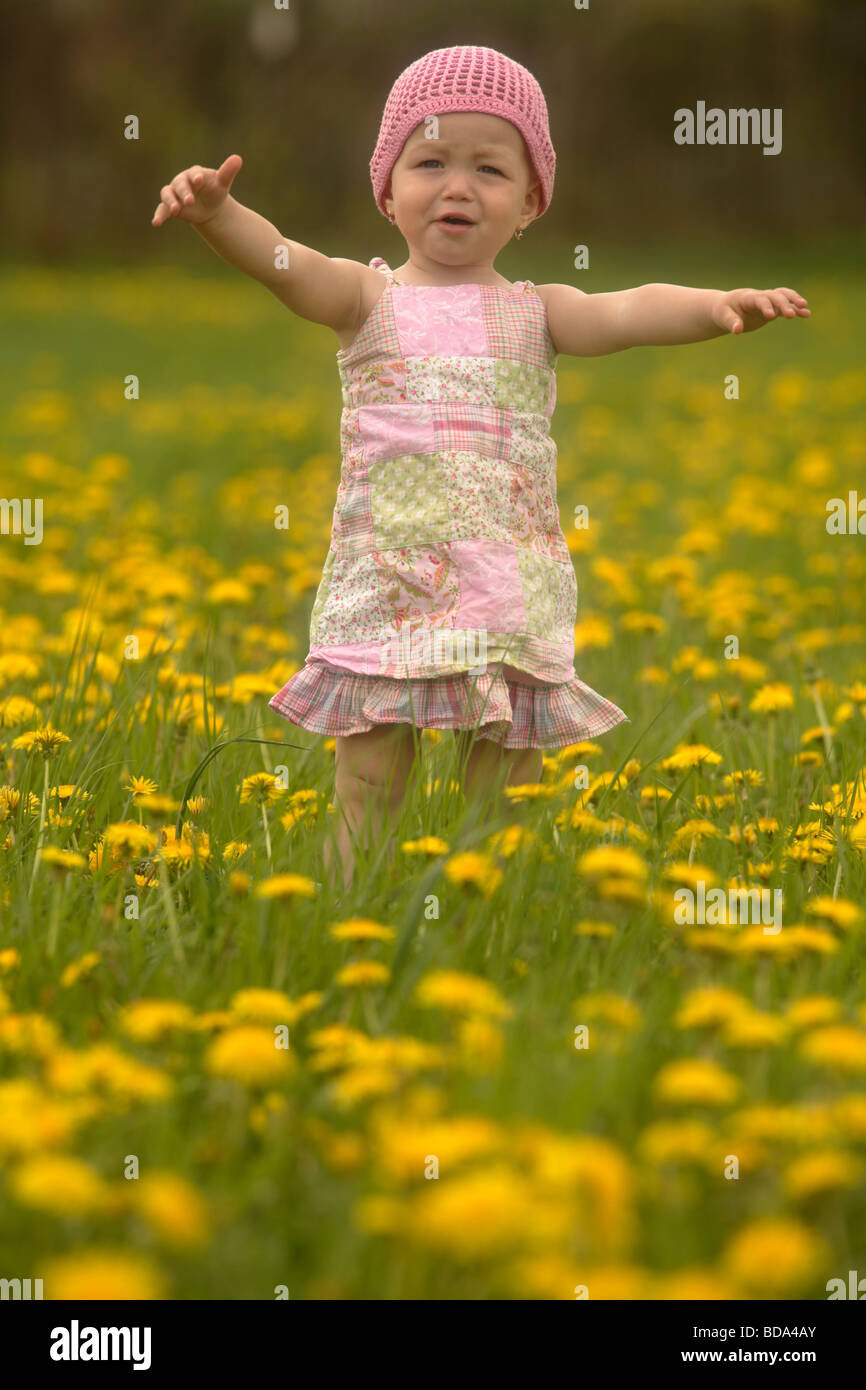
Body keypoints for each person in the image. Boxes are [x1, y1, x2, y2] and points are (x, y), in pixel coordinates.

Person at [151, 44, 809, 895]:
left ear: (532, 199)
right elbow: (287, 262)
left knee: (503, 787)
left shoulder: (540, 312)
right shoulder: (366, 297)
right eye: (430, 161)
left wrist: (714, 307)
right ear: (387, 190)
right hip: (390, 582)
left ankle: (483, 915)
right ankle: (358, 909)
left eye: (490, 169)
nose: (458, 186)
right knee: (370, 782)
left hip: (507, 587)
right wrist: (218, 215)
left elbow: (629, 306)